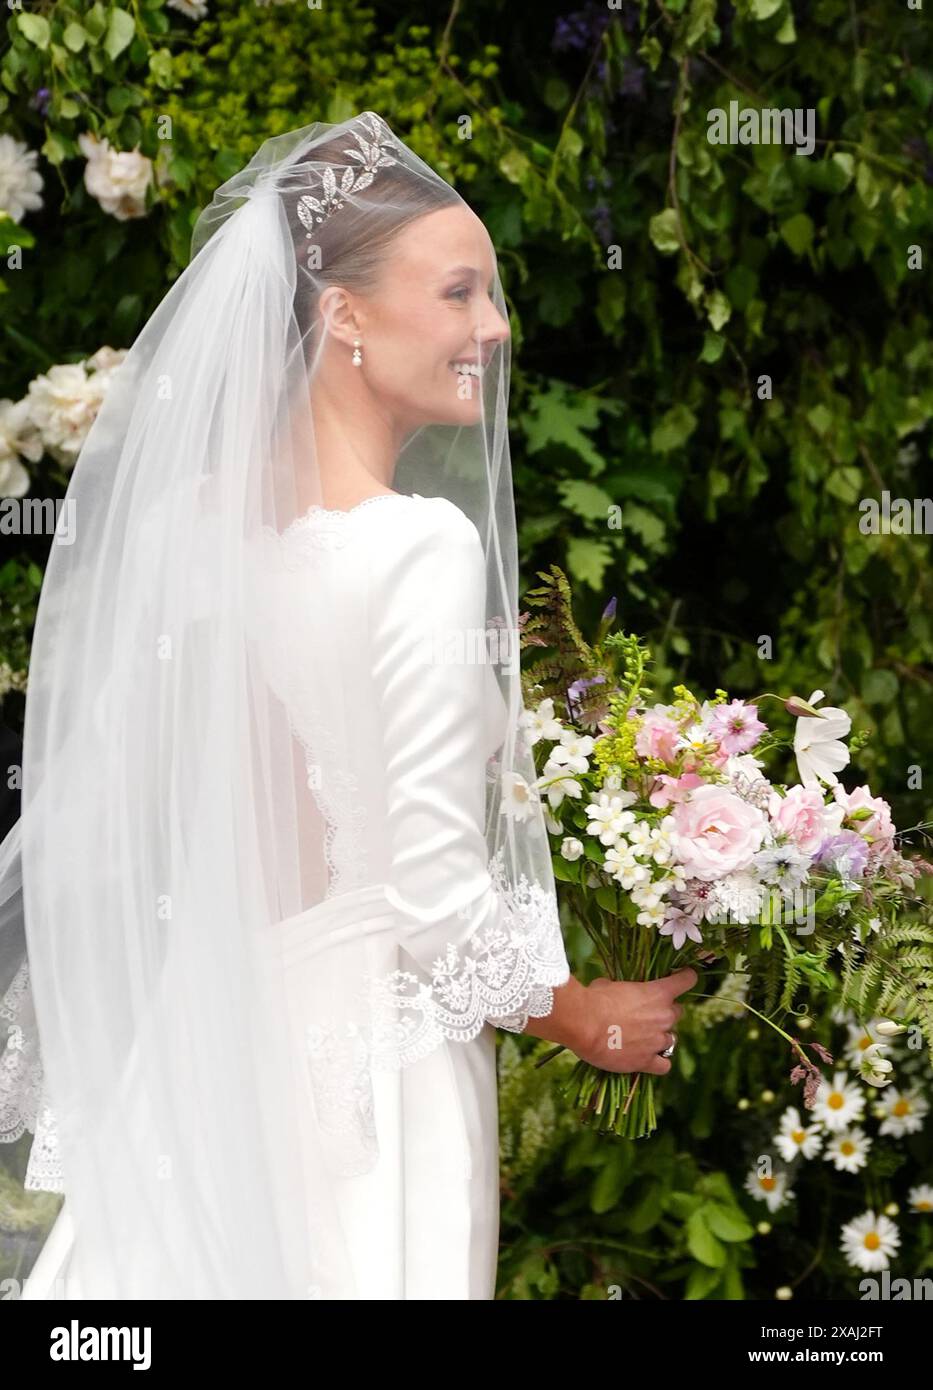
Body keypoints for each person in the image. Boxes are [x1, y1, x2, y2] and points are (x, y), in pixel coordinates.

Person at [0, 111, 695, 1300]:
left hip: (211, 1058)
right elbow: (430, 887)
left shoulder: (182, 531)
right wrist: (582, 1012)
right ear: (347, 316)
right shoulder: (417, 549)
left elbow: (127, 817)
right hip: (374, 1085)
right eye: (460, 292)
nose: (494, 327)